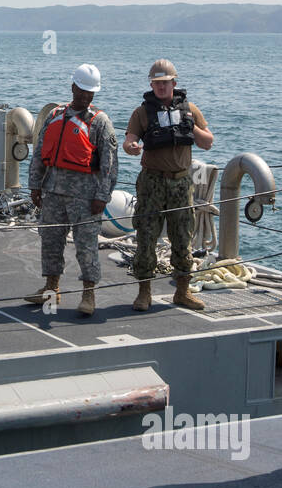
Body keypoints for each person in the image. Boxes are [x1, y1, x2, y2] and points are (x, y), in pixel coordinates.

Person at [24, 63, 119, 316]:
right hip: (53, 192)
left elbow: (109, 165)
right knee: (51, 242)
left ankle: (89, 294)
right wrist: (35, 185)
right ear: (73, 87)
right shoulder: (55, 115)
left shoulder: (100, 122)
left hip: (85, 197)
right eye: (83, 91)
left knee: (86, 246)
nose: (86, 97)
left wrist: (102, 196)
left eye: (91, 93)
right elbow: (39, 152)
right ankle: (51, 289)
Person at [123, 59, 215, 312]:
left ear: (174, 83)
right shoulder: (141, 113)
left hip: (181, 182)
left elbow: (208, 142)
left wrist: (190, 125)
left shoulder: (190, 109)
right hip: (152, 182)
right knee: (146, 236)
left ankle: (182, 292)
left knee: (183, 236)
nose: (161, 87)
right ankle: (144, 292)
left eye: (165, 83)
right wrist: (131, 147)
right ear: (151, 84)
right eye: (157, 83)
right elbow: (129, 140)